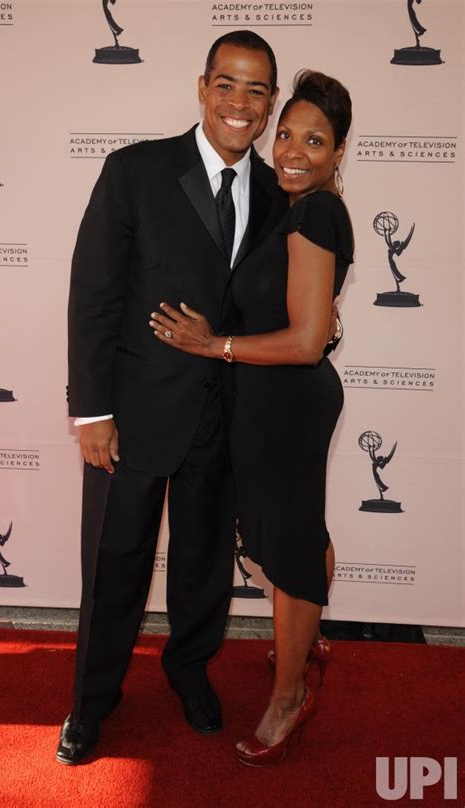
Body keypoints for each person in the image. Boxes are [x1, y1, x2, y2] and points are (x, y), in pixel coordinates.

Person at [57, 30, 290, 766]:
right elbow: (94, 295)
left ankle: (189, 672)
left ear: (270, 104)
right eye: (227, 84)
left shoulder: (280, 195)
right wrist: (93, 411)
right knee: (114, 565)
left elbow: (279, 307)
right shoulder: (135, 171)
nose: (239, 103)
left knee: (203, 565)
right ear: (202, 88)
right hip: (132, 416)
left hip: (224, 418)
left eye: (256, 90)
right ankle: (91, 701)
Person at [149, 69, 354, 766]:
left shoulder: (318, 214)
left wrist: (216, 345)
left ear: (339, 152)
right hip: (270, 400)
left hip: (288, 405)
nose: (293, 150)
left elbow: (305, 342)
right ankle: (308, 639)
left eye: (315, 141)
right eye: (287, 134)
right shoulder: (290, 211)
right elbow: (307, 318)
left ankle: (289, 696)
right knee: (291, 535)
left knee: (288, 550)